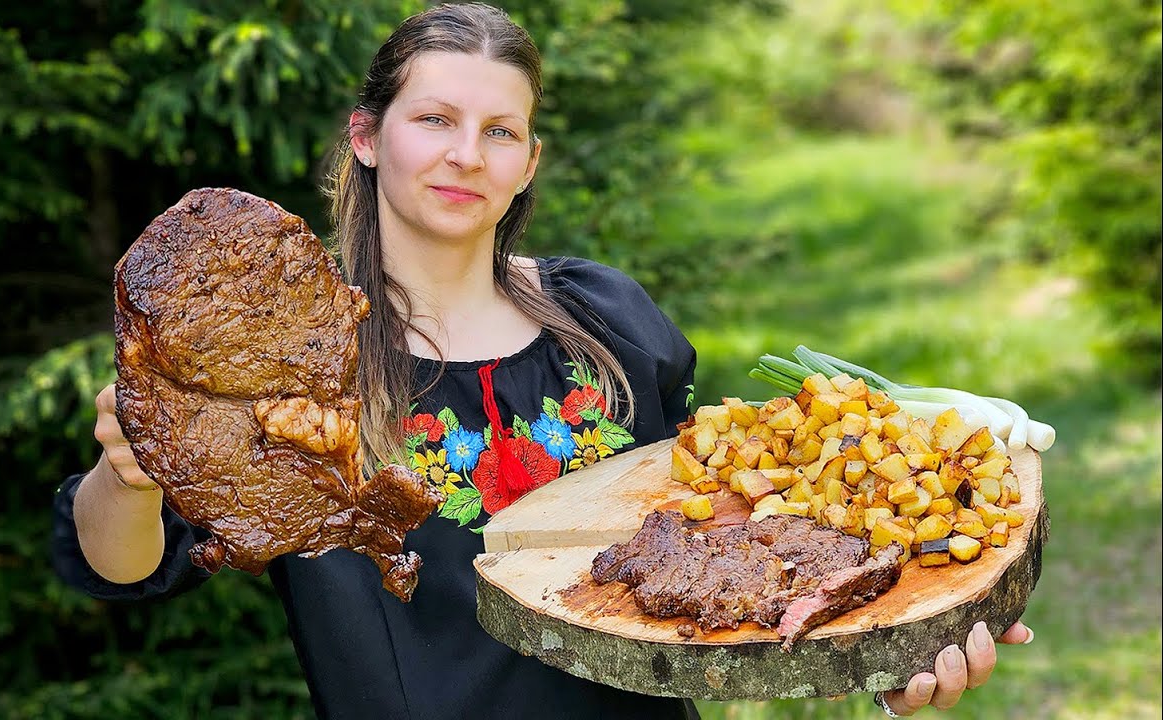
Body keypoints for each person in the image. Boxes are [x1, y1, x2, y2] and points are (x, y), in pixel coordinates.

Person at [52, 3, 1034, 719]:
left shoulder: (604, 324)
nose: (465, 155)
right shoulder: (289, 370)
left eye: (499, 132)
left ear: (527, 162)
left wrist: (886, 647)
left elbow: (726, 543)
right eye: (433, 120)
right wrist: (128, 474)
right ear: (367, 137)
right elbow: (122, 565)